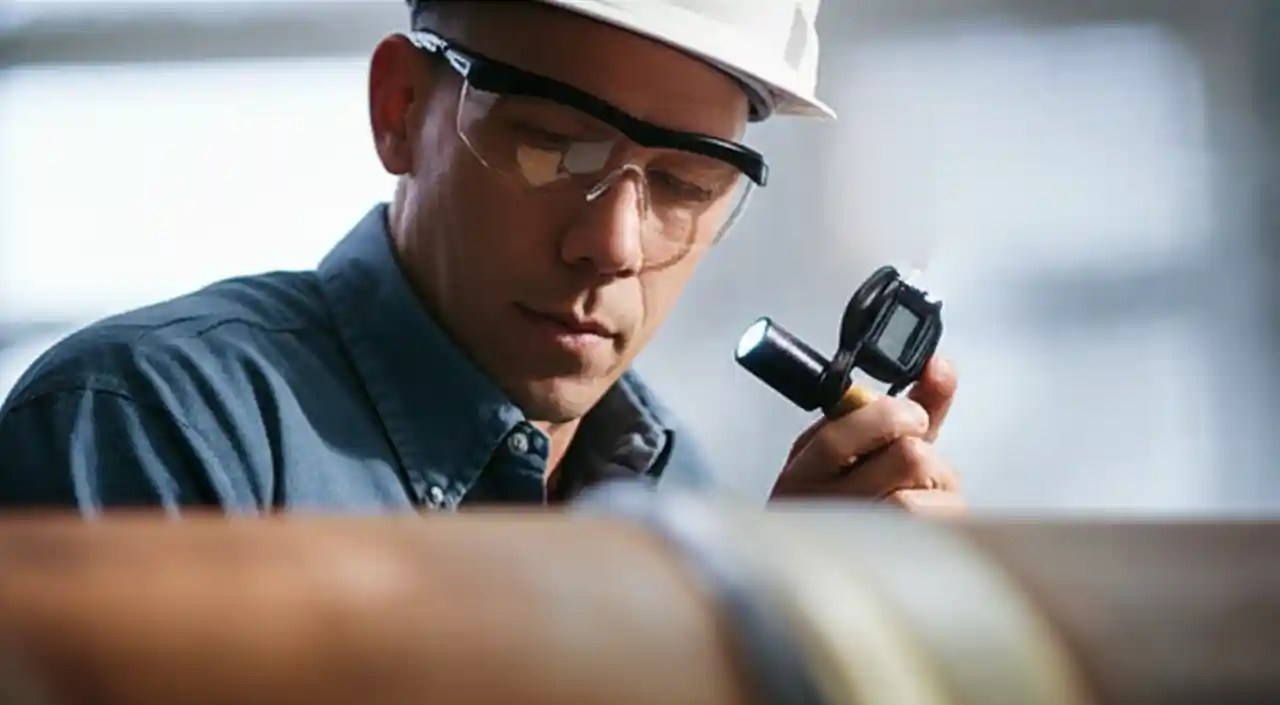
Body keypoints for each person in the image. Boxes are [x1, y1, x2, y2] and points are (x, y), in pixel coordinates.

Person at [0, 0, 962, 514]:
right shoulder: (154, 432)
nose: (612, 246)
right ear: (400, 110)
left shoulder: (683, 497)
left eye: (683, 186)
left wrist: (806, 626)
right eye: (551, 145)